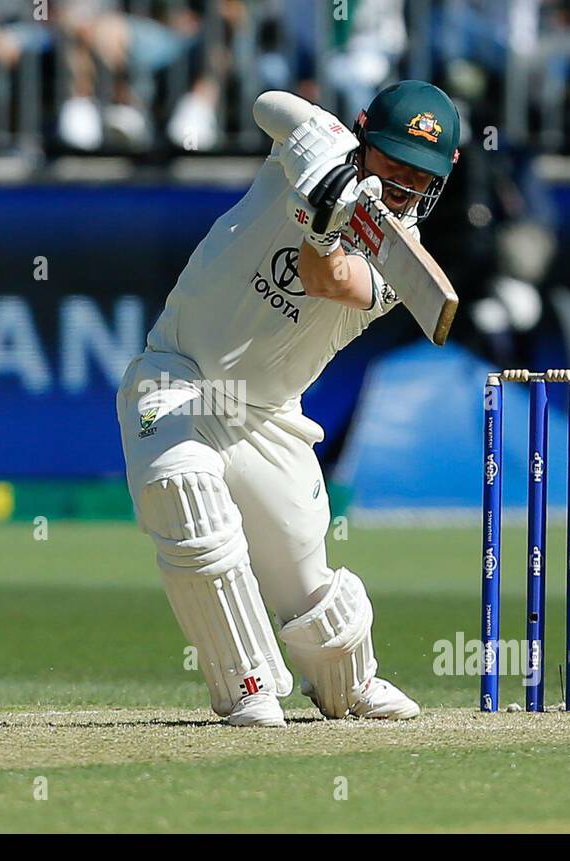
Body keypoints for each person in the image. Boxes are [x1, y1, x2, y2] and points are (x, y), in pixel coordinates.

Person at [116, 80, 460, 726]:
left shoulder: (400, 266)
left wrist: (328, 232)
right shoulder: (319, 147)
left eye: (421, 178)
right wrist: (320, 170)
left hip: (267, 420)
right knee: (182, 490)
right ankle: (248, 687)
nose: (405, 187)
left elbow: (324, 278)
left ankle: (350, 687)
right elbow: (266, 103)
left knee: (314, 599)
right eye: (393, 167)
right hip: (178, 377)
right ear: (362, 138)